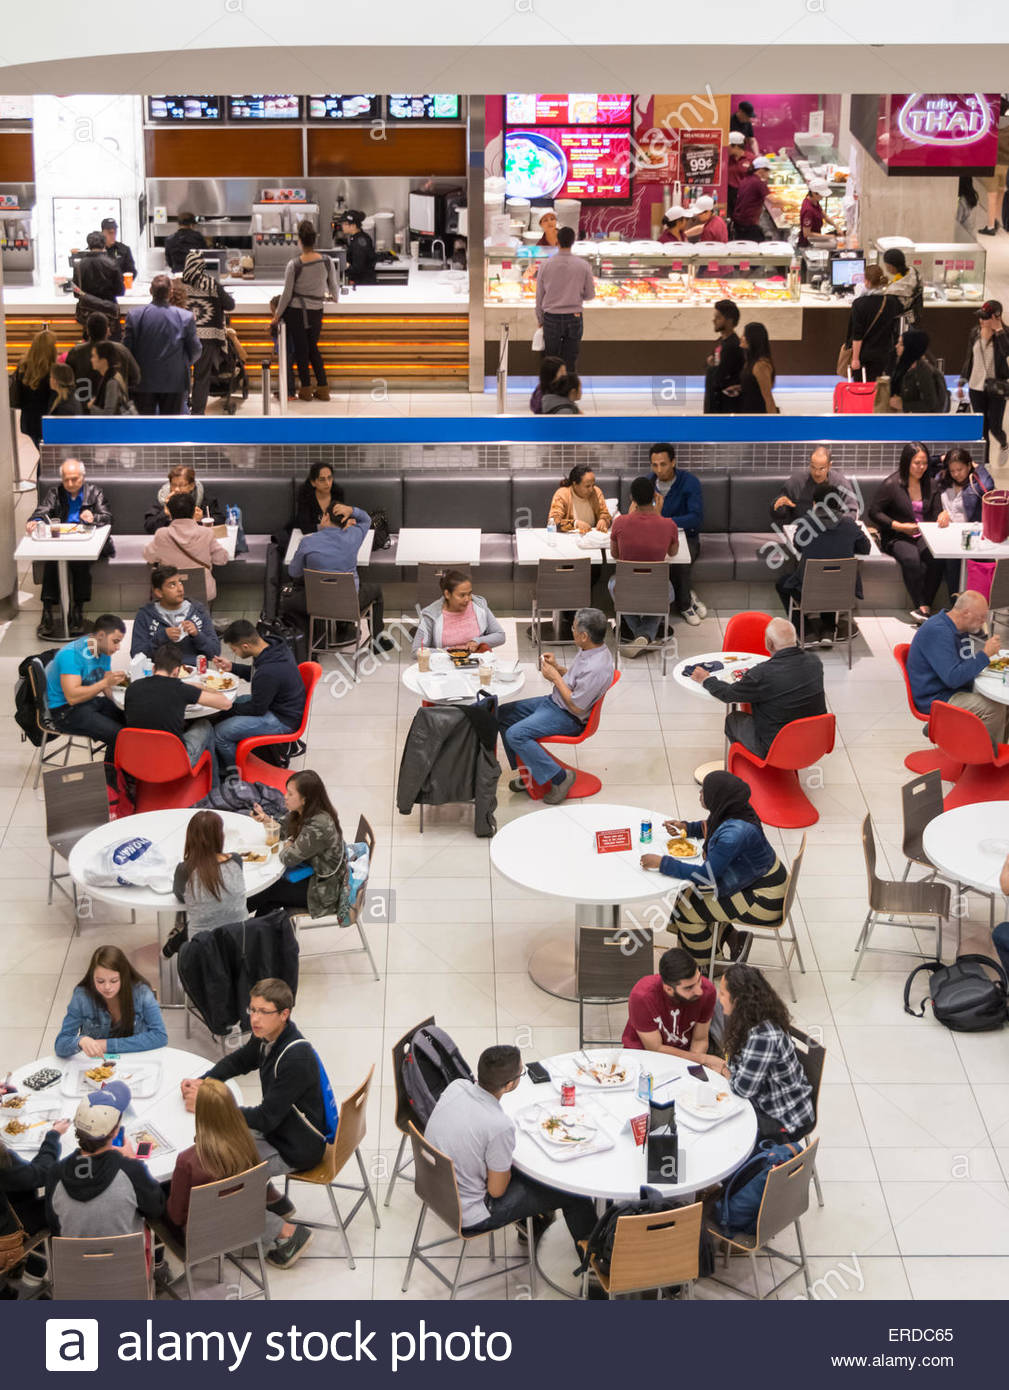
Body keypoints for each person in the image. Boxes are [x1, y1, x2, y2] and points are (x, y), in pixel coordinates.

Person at [181, 978, 325, 1268]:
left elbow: (264, 1117)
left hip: (296, 1147)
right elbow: (238, 1061)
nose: (254, 1019)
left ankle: (286, 1233)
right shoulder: (269, 1037)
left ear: (284, 1014)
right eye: (252, 1010)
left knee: (217, 1177)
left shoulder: (295, 1057)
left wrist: (210, 1104)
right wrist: (205, 1081)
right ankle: (271, 1198)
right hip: (281, 1130)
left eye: (263, 1012)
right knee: (214, 1142)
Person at [424, 1044, 596, 1257]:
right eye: (521, 1074)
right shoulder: (499, 1126)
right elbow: (497, 1191)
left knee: (521, 1168)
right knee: (575, 1193)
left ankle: (532, 1225)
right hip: (472, 1214)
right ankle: (597, 1268)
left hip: (435, 1190)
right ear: (509, 1085)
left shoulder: (456, 1087)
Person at [642, 771, 787, 970]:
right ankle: (733, 940)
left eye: (704, 790)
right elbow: (713, 824)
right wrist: (686, 828)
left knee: (687, 911)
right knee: (687, 895)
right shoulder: (737, 810)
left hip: (763, 899)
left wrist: (662, 863)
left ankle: (709, 966)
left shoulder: (734, 834)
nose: (700, 793)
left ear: (718, 797)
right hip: (760, 881)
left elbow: (706, 876)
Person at [164, 1079, 297, 1267]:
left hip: (202, 1235)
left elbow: (176, 1217)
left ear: (199, 1112)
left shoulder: (187, 1161)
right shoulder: (249, 1144)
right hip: (242, 1218)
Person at [498, 607, 614, 803]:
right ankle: (531, 772)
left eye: (575, 628)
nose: (572, 630)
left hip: (568, 716)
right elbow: (578, 682)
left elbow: (577, 706)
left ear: (584, 635)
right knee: (502, 714)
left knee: (515, 734)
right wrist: (559, 669)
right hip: (555, 702)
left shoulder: (598, 667)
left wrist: (554, 678)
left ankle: (560, 778)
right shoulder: (590, 650)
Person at [45, 1081, 165, 1239]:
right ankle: (158, 1263)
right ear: (115, 1131)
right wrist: (134, 1161)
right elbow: (156, 1209)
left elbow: (54, 1225)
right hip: (127, 1261)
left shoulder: (55, 1173)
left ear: (77, 1129)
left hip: (74, 1262)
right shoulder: (131, 1170)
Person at [691, 616, 826, 757]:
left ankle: (748, 765)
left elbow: (728, 695)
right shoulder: (815, 662)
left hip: (776, 749)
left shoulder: (762, 674)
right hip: (814, 743)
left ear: (769, 643)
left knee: (734, 719)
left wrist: (706, 679)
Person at [711, 965, 814, 1141]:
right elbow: (737, 1068)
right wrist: (730, 1072)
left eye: (722, 994)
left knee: (720, 1131)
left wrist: (726, 1072)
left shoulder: (763, 1037)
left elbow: (743, 1090)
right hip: (767, 1098)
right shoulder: (750, 1019)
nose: (719, 999)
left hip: (785, 1118)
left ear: (737, 1000)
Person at [285, 499, 391, 654]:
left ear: (325, 517)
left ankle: (308, 649)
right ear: (345, 520)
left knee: (290, 603)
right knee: (376, 591)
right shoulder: (353, 537)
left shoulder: (307, 543)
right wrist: (352, 510)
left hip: (316, 604)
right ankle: (377, 642)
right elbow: (367, 519)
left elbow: (294, 573)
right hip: (350, 604)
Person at [775, 480, 871, 648]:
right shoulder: (849, 524)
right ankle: (828, 629)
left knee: (782, 584)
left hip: (809, 592)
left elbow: (798, 544)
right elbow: (865, 547)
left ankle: (805, 632)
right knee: (832, 576)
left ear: (815, 504)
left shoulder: (808, 523)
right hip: (843, 593)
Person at [906, 590, 1006, 746]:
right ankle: (984, 758)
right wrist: (984, 655)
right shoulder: (938, 631)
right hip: (936, 697)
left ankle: (997, 751)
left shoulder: (959, 628)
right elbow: (953, 678)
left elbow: (962, 665)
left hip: (951, 689)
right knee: (994, 709)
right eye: (981, 618)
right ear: (966, 613)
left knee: (1004, 706)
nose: (984, 622)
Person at [28, 458, 113, 638]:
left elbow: (106, 516)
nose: (70, 483)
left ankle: (77, 610)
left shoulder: (95, 492)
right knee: (52, 562)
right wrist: (34, 521)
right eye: (66, 479)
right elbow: (41, 512)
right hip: (61, 540)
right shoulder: (55, 493)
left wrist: (93, 517)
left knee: (80, 563)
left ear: (83, 477)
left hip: (86, 541)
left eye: (75, 479)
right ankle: (48, 611)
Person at [246, 770, 346, 919]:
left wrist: (289, 844)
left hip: (323, 888)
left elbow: (288, 858)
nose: (285, 797)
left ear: (304, 799)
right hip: (311, 873)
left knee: (268, 891)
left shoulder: (319, 825)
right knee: (268, 900)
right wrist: (266, 819)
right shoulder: (301, 811)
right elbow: (281, 831)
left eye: (290, 794)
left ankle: (231, 919)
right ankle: (256, 934)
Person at [211, 620, 307, 772]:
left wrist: (226, 708)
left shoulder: (269, 670)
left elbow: (257, 709)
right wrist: (232, 667)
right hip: (281, 705)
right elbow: (258, 676)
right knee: (239, 701)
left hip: (283, 720)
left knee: (220, 733)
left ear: (245, 646)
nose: (234, 653)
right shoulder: (273, 648)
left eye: (234, 650)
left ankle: (235, 774)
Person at [123, 641, 232, 770]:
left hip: (138, 759)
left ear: (153, 668)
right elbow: (226, 704)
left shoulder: (133, 687)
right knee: (205, 725)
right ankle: (215, 785)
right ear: (176, 671)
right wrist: (201, 687)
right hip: (174, 762)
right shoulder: (181, 689)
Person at [867, 441, 943, 622]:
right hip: (897, 535)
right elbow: (874, 512)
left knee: (936, 559)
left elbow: (937, 511)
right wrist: (898, 526)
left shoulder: (931, 484)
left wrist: (943, 514)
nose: (921, 467)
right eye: (917, 463)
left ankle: (926, 605)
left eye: (924, 463)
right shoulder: (892, 484)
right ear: (907, 462)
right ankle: (922, 605)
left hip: (924, 534)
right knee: (911, 559)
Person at [608, 474, 678, 656]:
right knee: (666, 591)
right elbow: (673, 552)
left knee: (612, 584)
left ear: (632, 498)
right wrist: (660, 516)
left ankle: (640, 634)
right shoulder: (668, 524)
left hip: (627, 589)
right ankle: (646, 635)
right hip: (657, 590)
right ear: (655, 497)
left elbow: (615, 555)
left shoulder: (620, 522)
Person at [54, 945, 167, 1059]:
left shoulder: (141, 992)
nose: (107, 987)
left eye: (114, 981)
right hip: (97, 1066)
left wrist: (106, 1045)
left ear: (124, 977)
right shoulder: (82, 996)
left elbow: (160, 1036)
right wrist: (80, 1041)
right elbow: (61, 1045)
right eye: (100, 981)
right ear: (92, 978)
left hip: (137, 1060)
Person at [272, 221, 340, 402]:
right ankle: (323, 388)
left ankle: (306, 390)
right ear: (314, 239)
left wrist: (276, 315)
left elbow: (286, 294)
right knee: (313, 349)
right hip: (317, 310)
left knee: (302, 351)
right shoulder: (326, 261)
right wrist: (334, 297)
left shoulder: (294, 264)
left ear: (299, 241)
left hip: (296, 312)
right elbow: (334, 286)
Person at [0, 1116, 70, 1289]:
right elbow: (41, 1174)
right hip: (4, 1238)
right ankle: (35, 1271)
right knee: (61, 1200)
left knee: (24, 1189)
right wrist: (53, 1135)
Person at [621, 946, 721, 1066]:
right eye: (689, 988)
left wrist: (691, 1070)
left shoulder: (707, 991)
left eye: (699, 980)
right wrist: (702, 1059)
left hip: (686, 1057)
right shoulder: (642, 996)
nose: (699, 991)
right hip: (642, 1056)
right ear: (668, 989)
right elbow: (655, 1048)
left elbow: (699, 1040)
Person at [124, 273, 201, 416]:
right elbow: (196, 350)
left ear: (150, 291)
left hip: (142, 381)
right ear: (170, 292)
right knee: (171, 428)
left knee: (145, 428)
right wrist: (180, 364)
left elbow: (126, 351)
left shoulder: (134, 315)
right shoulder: (185, 317)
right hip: (175, 381)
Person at [649, 442, 706, 625]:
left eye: (663, 464)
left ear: (673, 462)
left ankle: (684, 606)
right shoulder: (648, 483)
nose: (659, 469)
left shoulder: (689, 482)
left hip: (686, 536)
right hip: (656, 537)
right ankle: (687, 594)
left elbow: (695, 518)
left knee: (680, 562)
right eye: (655, 465)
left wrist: (666, 523)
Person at [143, 490, 229, 601]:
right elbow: (222, 559)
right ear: (194, 511)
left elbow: (148, 557)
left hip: (169, 593)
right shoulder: (206, 533)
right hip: (203, 593)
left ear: (169, 512)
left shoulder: (162, 534)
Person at [173, 810, 248, 933]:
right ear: (220, 836)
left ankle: (166, 950)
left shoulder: (185, 870)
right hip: (242, 941)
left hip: (204, 947)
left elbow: (181, 896)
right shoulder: (236, 860)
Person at [181, 249, 236, 415]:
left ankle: (181, 409)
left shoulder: (178, 285)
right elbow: (230, 305)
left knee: (181, 374)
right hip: (208, 337)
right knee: (202, 377)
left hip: (183, 337)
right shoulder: (212, 284)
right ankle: (198, 413)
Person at [934, 448, 994, 598]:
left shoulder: (975, 484)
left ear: (968, 466)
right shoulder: (942, 479)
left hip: (970, 535)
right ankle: (955, 606)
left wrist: (978, 467)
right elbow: (922, 464)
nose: (956, 474)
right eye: (952, 470)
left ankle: (972, 607)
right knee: (951, 562)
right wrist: (941, 458)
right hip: (945, 532)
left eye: (960, 469)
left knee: (969, 563)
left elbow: (989, 487)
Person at [132, 565, 221, 666]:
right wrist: (161, 637)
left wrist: (197, 635)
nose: (180, 589)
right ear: (159, 592)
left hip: (194, 673)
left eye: (180, 582)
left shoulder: (198, 610)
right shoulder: (145, 615)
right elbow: (136, 655)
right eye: (172, 585)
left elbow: (214, 652)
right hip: (160, 674)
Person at [535, 224, 594, 372]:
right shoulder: (584, 265)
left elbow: (539, 297)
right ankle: (568, 392)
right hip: (574, 317)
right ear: (573, 242)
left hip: (551, 318)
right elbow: (590, 295)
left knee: (551, 361)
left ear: (557, 241)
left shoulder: (545, 265)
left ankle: (551, 392)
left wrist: (540, 319)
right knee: (570, 361)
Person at [957, 301, 1009, 459]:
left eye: (985, 318)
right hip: (975, 387)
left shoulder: (1004, 334)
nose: (981, 321)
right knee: (981, 429)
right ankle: (983, 463)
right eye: (980, 317)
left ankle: (1004, 443)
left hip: (996, 388)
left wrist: (999, 330)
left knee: (995, 427)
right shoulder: (975, 332)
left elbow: (1007, 351)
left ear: (996, 317)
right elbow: (969, 358)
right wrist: (962, 382)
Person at [412, 568, 506, 652]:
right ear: (447, 594)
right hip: (444, 666)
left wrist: (477, 641)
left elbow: (500, 635)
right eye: (462, 595)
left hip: (476, 664)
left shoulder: (478, 605)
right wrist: (446, 652)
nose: (467, 599)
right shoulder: (431, 614)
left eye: (469, 594)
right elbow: (417, 650)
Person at [65, 311, 140, 405]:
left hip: (83, 409)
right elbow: (135, 377)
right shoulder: (121, 350)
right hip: (114, 410)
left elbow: (66, 380)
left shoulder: (75, 352)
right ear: (107, 330)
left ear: (87, 330)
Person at [771, 445, 858, 525]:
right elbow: (778, 513)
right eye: (813, 467)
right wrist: (779, 508)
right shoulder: (795, 482)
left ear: (829, 466)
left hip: (832, 530)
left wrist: (836, 525)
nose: (817, 473)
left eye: (821, 469)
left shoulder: (840, 483)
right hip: (802, 532)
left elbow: (852, 512)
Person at [849, 265, 900, 382]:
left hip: (865, 355)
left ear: (866, 282)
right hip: (885, 354)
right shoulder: (891, 302)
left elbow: (857, 335)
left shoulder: (859, 304)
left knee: (862, 390)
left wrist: (855, 359)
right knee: (881, 390)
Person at [143, 464, 224, 535]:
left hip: (197, 540)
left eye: (181, 485)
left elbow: (221, 523)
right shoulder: (164, 498)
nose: (177, 489)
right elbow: (149, 528)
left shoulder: (204, 499)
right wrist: (165, 513)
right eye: (173, 485)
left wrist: (202, 519)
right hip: (171, 540)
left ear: (191, 485)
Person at [10, 328, 57, 451]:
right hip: (48, 421)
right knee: (48, 456)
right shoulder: (53, 370)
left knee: (44, 454)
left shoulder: (23, 367)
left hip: (29, 421)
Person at [890, 330, 946, 414]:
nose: (896, 346)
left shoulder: (924, 371)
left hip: (927, 422)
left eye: (901, 344)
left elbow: (930, 404)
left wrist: (903, 405)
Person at [703, 299, 743, 414]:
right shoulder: (722, 342)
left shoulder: (732, 346)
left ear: (729, 321)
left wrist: (712, 366)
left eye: (718, 317)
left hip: (724, 407)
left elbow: (720, 377)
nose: (713, 320)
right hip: (717, 404)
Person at [547, 463, 611, 533]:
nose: (591, 489)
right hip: (569, 538)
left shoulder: (596, 492)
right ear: (575, 484)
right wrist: (575, 524)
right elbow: (554, 521)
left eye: (593, 485)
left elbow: (605, 514)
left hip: (592, 537)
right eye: (587, 486)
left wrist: (603, 520)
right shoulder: (562, 494)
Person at [735, 321, 778, 414]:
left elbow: (767, 398)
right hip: (748, 413)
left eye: (744, 335)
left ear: (752, 339)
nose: (741, 338)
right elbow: (754, 386)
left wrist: (774, 422)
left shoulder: (761, 365)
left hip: (757, 416)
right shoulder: (750, 362)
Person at [73, 230, 124, 304]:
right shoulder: (112, 264)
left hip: (86, 311)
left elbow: (76, 293)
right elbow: (120, 291)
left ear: (89, 245)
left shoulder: (78, 265)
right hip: (108, 310)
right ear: (104, 244)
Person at [731, 156, 773, 242]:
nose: (769, 174)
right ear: (761, 170)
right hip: (748, 225)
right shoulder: (758, 182)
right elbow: (773, 200)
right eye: (768, 171)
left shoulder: (746, 179)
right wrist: (791, 202)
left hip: (739, 223)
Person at [292, 462, 341, 534]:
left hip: (332, 535)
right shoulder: (305, 496)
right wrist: (325, 527)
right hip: (307, 535)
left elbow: (340, 521)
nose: (327, 483)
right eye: (322, 480)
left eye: (329, 478)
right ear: (313, 482)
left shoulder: (337, 493)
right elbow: (305, 527)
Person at [88, 341, 134, 415]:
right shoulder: (114, 375)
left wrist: (91, 407)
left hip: (115, 425)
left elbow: (108, 414)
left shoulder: (111, 382)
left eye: (94, 356)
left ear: (103, 360)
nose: (91, 359)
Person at [882, 247, 923, 327]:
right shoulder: (915, 273)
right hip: (915, 317)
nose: (887, 269)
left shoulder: (893, 292)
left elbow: (891, 311)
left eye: (887, 266)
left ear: (891, 266)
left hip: (901, 325)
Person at [339, 209, 377, 286]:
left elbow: (358, 268)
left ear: (353, 226)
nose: (342, 226)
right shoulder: (356, 238)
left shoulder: (360, 242)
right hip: (361, 283)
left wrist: (345, 265)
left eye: (344, 224)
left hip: (364, 285)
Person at [797, 180, 836, 249]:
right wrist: (829, 237)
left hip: (814, 242)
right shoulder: (808, 210)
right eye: (822, 194)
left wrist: (836, 227)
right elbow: (806, 234)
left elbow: (825, 216)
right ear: (814, 193)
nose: (823, 197)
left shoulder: (814, 201)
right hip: (807, 245)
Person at [726, 130, 753, 219]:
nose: (726, 148)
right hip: (729, 194)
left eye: (729, 146)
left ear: (736, 146)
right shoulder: (726, 158)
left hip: (744, 196)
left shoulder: (751, 159)